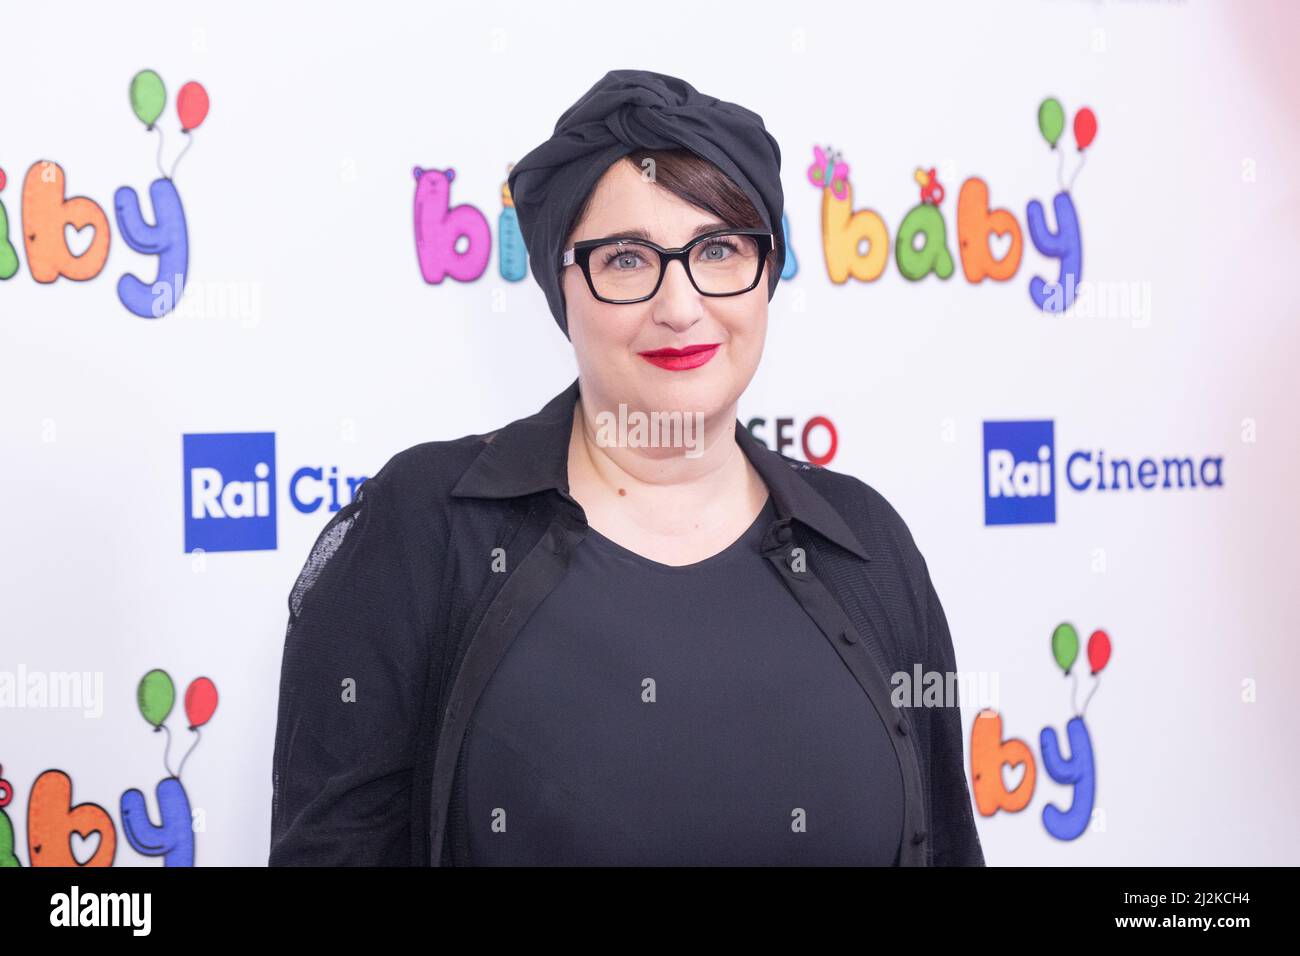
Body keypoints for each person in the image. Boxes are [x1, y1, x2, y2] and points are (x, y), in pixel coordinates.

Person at [269, 69, 985, 866]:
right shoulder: (425, 528)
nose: (679, 306)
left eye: (718, 249)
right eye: (626, 259)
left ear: (766, 274)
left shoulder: (867, 544)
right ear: (561, 285)